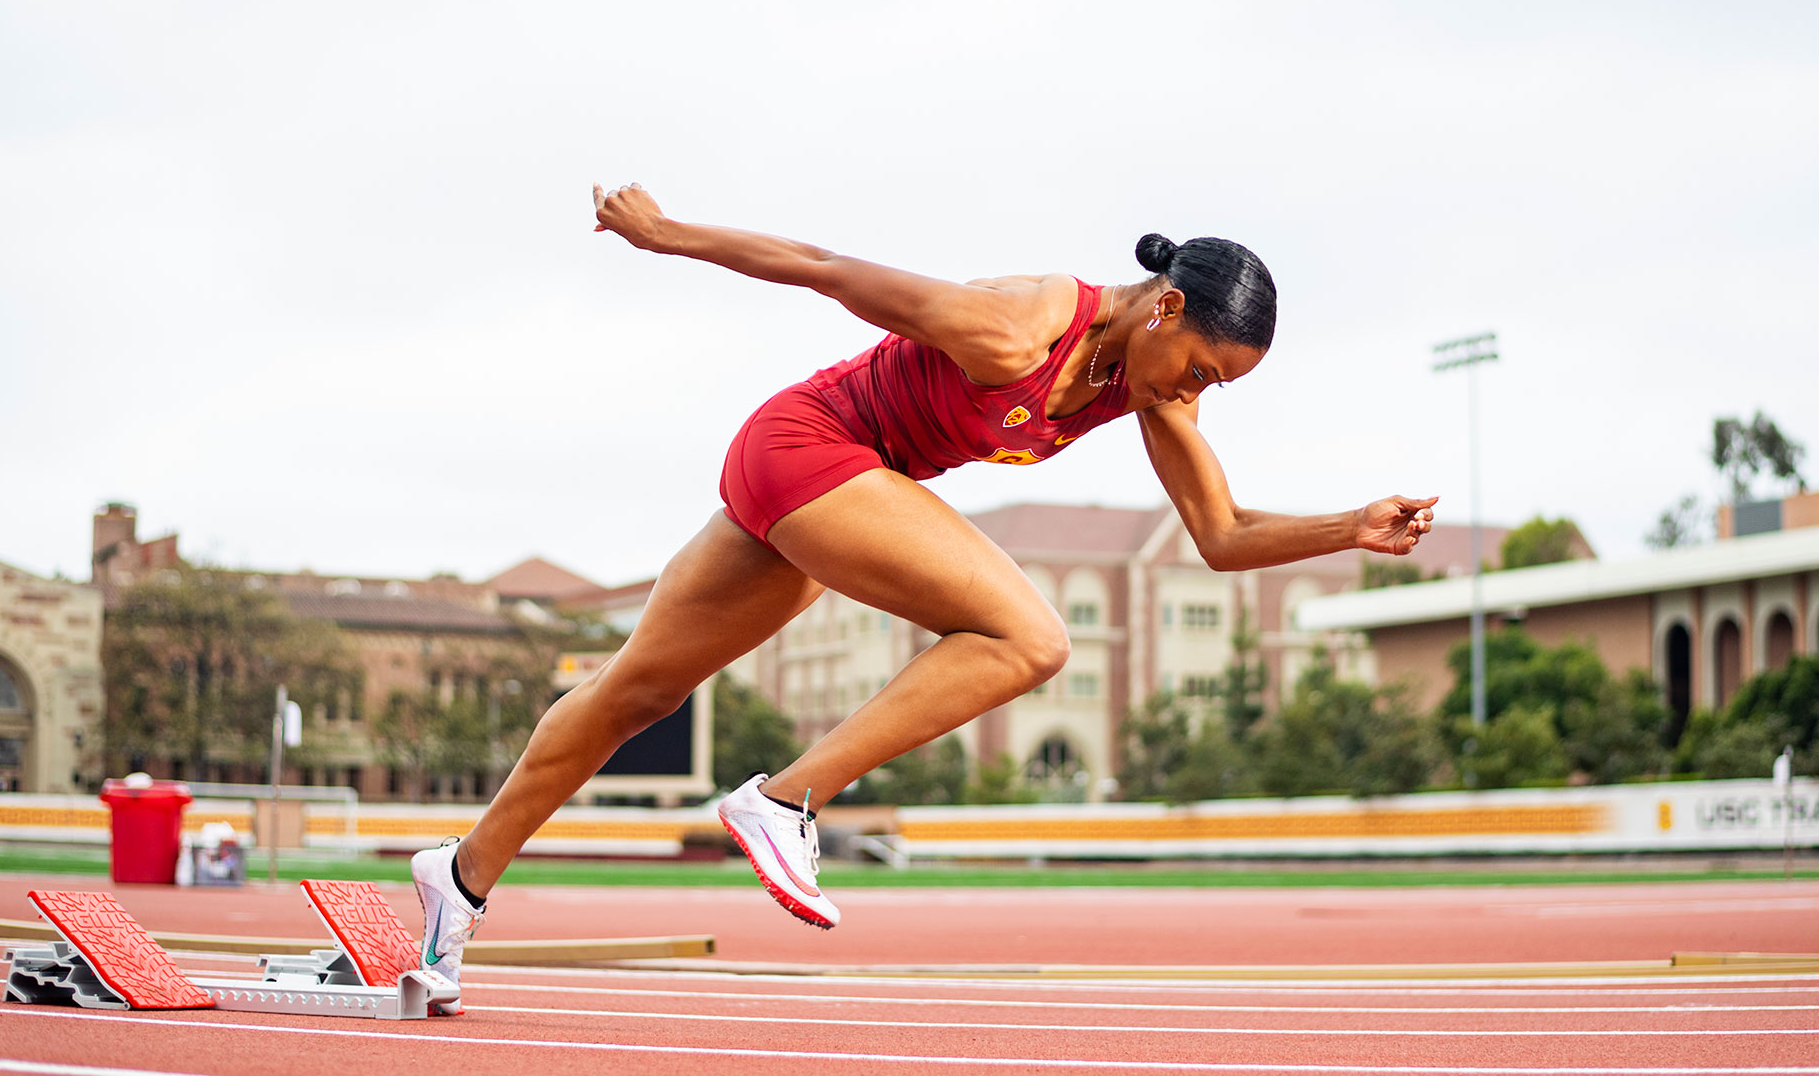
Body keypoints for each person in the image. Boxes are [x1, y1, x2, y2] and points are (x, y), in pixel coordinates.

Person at [411, 182, 1437, 1001]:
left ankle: (459, 879)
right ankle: (782, 802)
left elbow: (1221, 536)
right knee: (1030, 637)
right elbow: (828, 269)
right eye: (1203, 371)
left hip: (836, 491)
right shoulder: (1019, 324)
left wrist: (1350, 525)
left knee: (637, 690)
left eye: (1215, 387)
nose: (1192, 393)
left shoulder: (1144, 387)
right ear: (1166, 307)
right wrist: (666, 233)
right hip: (811, 446)